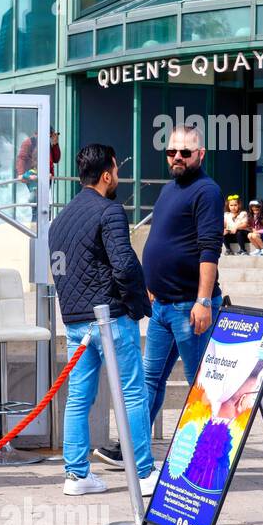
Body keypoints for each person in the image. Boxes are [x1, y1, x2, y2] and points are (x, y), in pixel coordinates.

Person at [95, 123, 222, 470]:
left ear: (200, 154)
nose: (177, 157)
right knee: (150, 381)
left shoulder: (206, 191)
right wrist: (150, 282)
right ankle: (133, 449)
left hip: (188, 307)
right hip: (162, 306)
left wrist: (204, 301)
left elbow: (210, 249)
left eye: (185, 152)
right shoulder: (169, 190)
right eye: (171, 151)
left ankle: (205, 457)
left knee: (201, 384)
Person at [49, 143, 155, 496]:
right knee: (132, 393)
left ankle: (77, 475)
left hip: (76, 321)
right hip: (110, 318)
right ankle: (143, 472)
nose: (118, 178)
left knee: (79, 397)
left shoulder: (60, 219)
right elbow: (124, 264)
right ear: (107, 174)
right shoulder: (109, 211)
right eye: (117, 171)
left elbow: (61, 271)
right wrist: (139, 303)